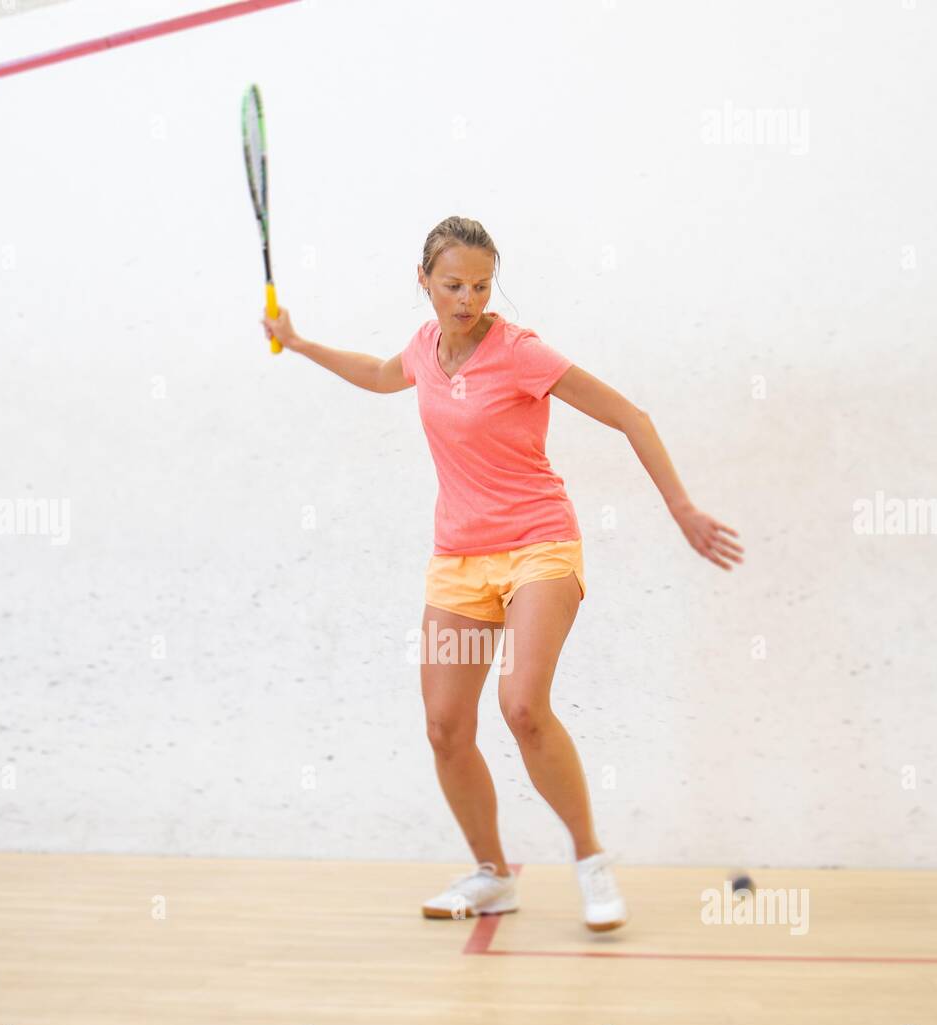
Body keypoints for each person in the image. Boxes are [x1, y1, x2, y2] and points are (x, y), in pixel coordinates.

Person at [260, 216, 743, 932]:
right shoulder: (425, 350)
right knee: (445, 727)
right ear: (422, 280)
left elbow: (631, 416)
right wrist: (296, 343)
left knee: (523, 705)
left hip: (539, 550)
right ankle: (492, 876)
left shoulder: (520, 353)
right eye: (453, 284)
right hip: (459, 564)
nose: (468, 299)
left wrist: (683, 509)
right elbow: (377, 374)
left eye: (482, 286)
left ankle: (590, 862)